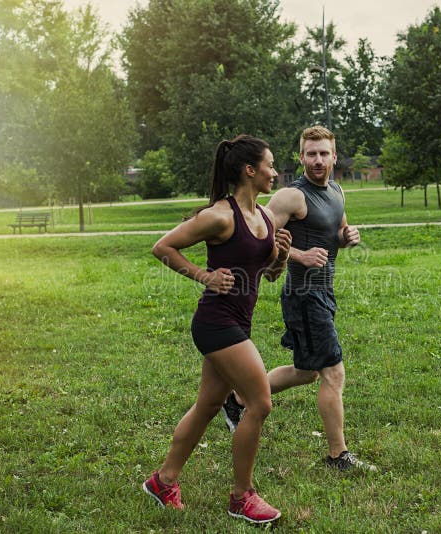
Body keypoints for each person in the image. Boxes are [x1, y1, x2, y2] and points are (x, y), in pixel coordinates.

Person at [142, 135, 291, 524]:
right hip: (216, 323)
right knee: (259, 402)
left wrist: (283, 255)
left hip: (238, 322)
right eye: (270, 165)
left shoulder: (266, 217)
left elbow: (270, 274)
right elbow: (163, 247)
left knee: (208, 406)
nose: (275, 172)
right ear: (249, 170)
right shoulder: (220, 216)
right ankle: (242, 496)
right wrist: (204, 276)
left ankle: (163, 480)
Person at [222, 125, 377, 472]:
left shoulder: (337, 191)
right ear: (301, 156)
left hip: (324, 292)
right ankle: (338, 457)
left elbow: (335, 231)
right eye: (311, 153)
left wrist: (347, 235)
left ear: (335, 157)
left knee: (307, 372)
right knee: (333, 373)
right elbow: (259, 237)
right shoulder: (292, 196)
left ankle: (237, 399)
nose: (318, 160)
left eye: (324, 154)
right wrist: (301, 255)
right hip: (303, 295)